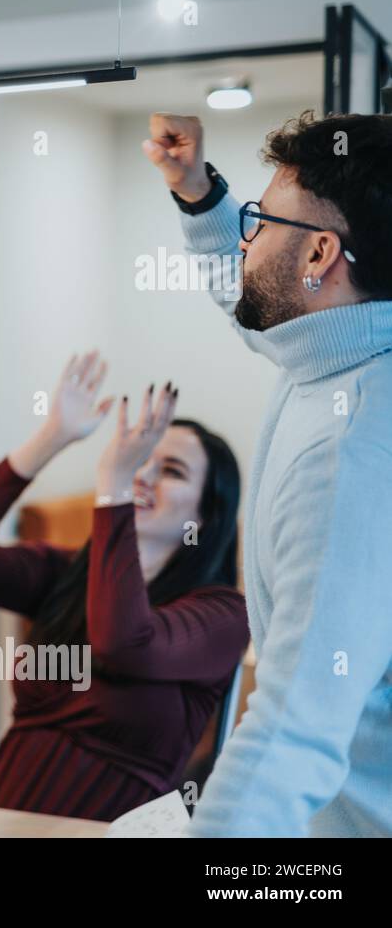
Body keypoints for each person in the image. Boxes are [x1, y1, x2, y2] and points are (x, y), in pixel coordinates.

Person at [143, 110, 392, 837]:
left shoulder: (351, 453)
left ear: (319, 252)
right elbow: (251, 296)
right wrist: (199, 195)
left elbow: (292, 733)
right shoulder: (336, 352)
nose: (246, 238)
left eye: (260, 221)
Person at [0, 353, 248, 821]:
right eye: (140, 459)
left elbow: (122, 643)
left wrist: (115, 484)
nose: (143, 475)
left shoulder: (223, 615)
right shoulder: (71, 574)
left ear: (205, 516)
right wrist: (52, 436)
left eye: (172, 470)